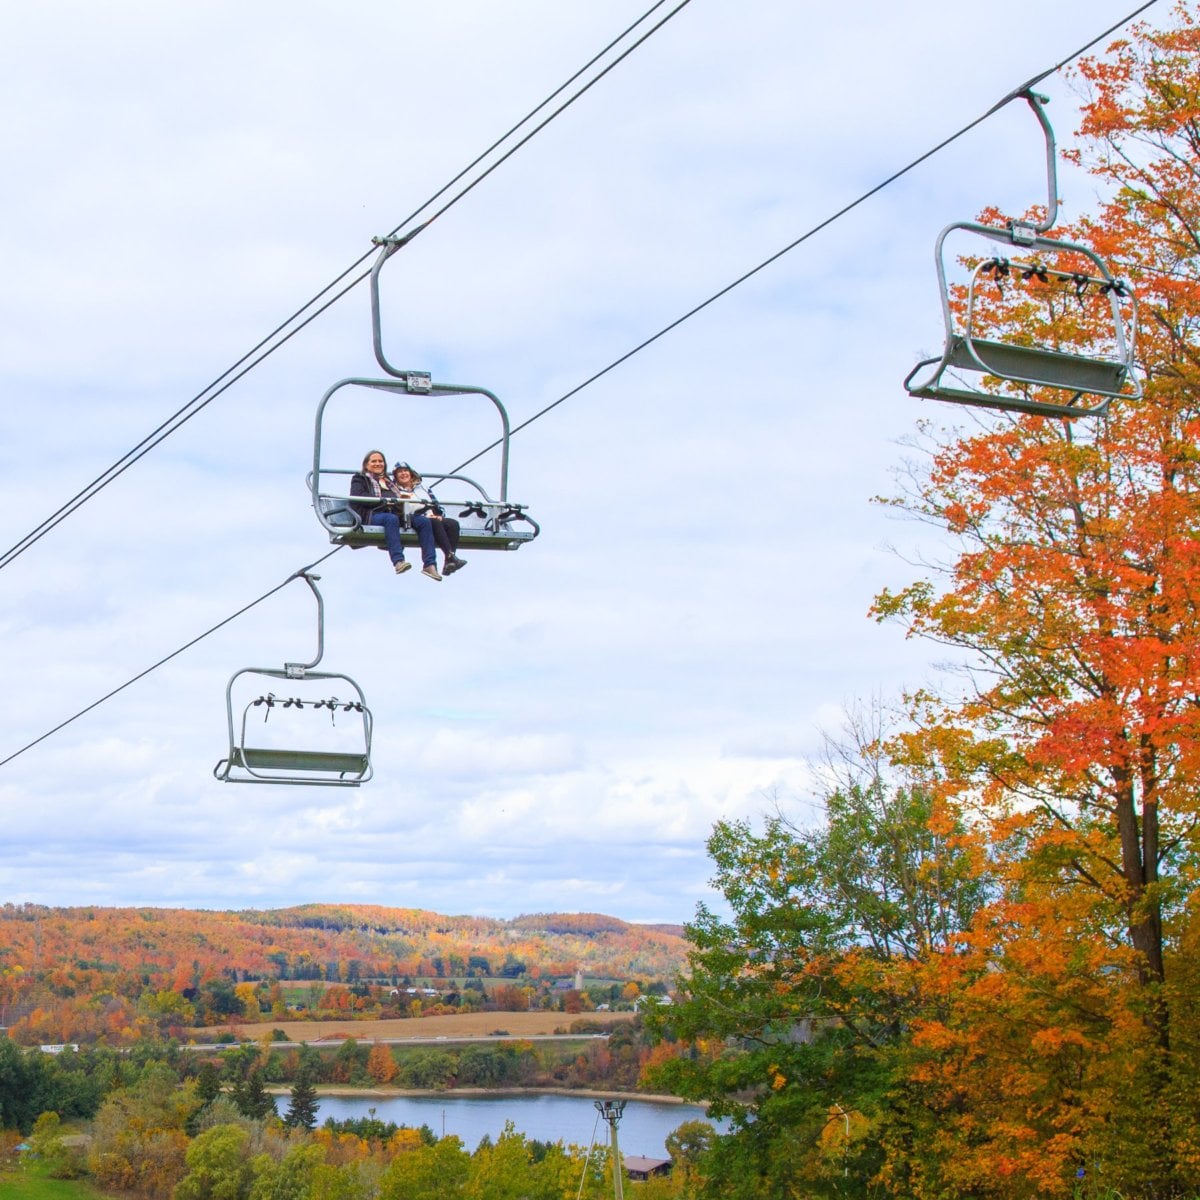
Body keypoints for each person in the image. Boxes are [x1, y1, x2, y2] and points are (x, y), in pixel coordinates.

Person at [349, 450, 440, 580]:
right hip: (373, 515)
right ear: (366, 465)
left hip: (395, 513)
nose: (378, 463)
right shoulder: (360, 478)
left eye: (380, 461)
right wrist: (381, 500)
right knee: (391, 520)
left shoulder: (389, 482)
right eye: (374, 461)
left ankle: (430, 564)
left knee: (423, 522)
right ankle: (398, 561)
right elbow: (357, 497)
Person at [392, 462, 467, 577]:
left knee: (453, 524)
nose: (403, 474)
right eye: (400, 472)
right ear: (396, 476)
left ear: (411, 473)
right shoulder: (394, 489)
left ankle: (449, 561)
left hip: (431, 514)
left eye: (405, 471)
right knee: (433, 523)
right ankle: (449, 556)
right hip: (412, 517)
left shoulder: (423, 488)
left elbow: (437, 504)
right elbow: (397, 509)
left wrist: (438, 514)